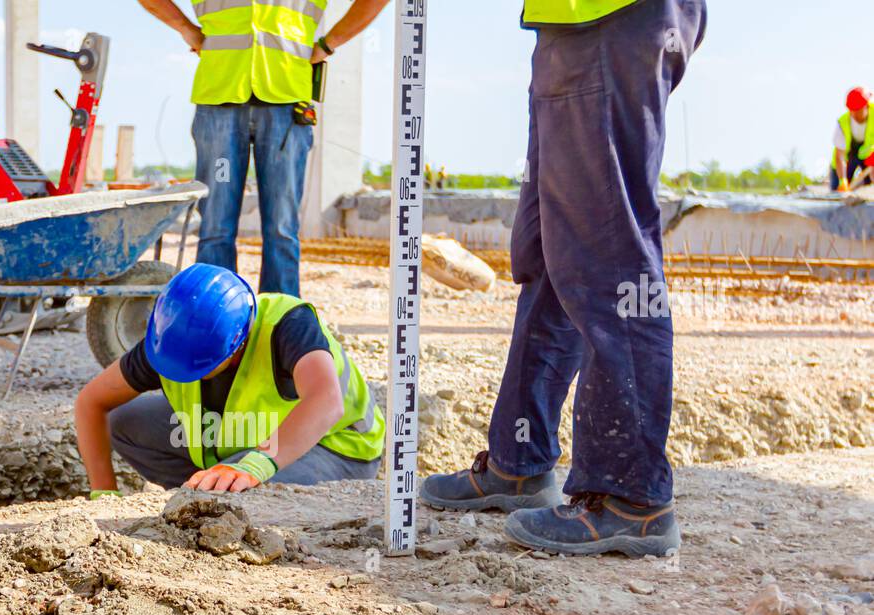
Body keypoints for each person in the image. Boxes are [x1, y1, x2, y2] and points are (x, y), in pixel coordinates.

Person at [421, 0, 706, 558]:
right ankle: (519, 460)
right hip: (570, 25)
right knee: (552, 251)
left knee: (610, 256)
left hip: (615, 18)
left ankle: (631, 497)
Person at [136, 0, 389, 297]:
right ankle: (217, 324)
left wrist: (330, 43)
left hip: (286, 104)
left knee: (281, 229)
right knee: (215, 227)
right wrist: (186, 28)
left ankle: (280, 325)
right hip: (220, 102)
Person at [75, 263, 384, 496]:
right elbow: (92, 402)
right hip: (245, 436)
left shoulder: (287, 324)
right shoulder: (169, 341)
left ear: (237, 347)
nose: (176, 373)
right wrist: (104, 493)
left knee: (229, 498)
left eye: (197, 367)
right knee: (126, 422)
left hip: (336, 445)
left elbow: (327, 400)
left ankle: (217, 490)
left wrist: (254, 465)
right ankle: (205, 486)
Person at [832, 87, 872, 192]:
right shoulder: (843, 123)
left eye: (858, 110)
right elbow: (840, 156)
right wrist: (842, 181)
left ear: (866, 106)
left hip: (868, 159)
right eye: (852, 110)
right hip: (845, 162)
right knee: (837, 191)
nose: (855, 114)